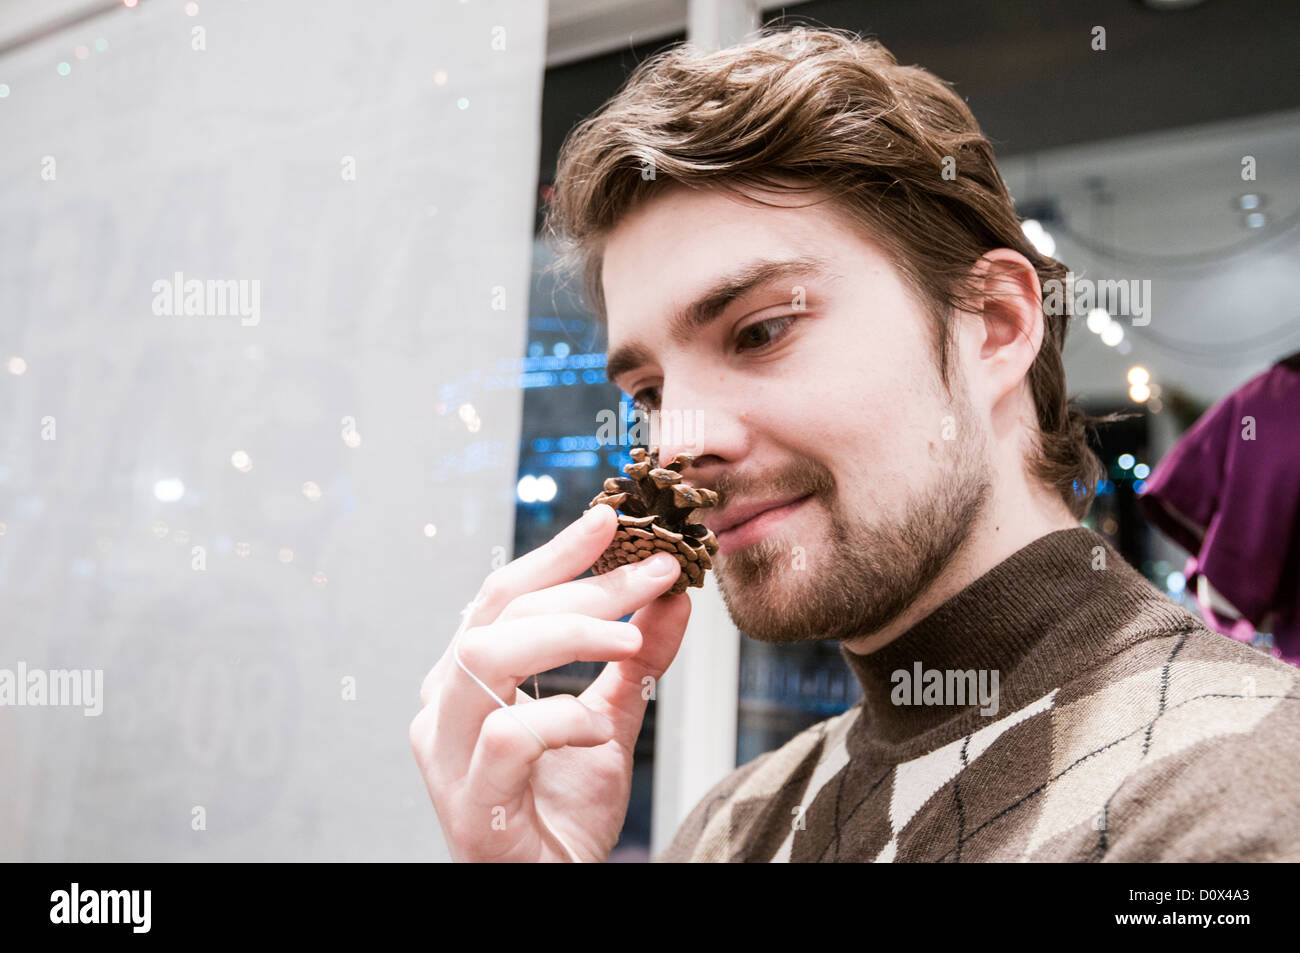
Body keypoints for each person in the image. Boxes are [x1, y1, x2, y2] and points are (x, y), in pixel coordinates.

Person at [409, 26, 1300, 861]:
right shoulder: (732, 824)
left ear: (993, 326)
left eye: (760, 331)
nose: (674, 444)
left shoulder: (1234, 792)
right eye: (649, 391)